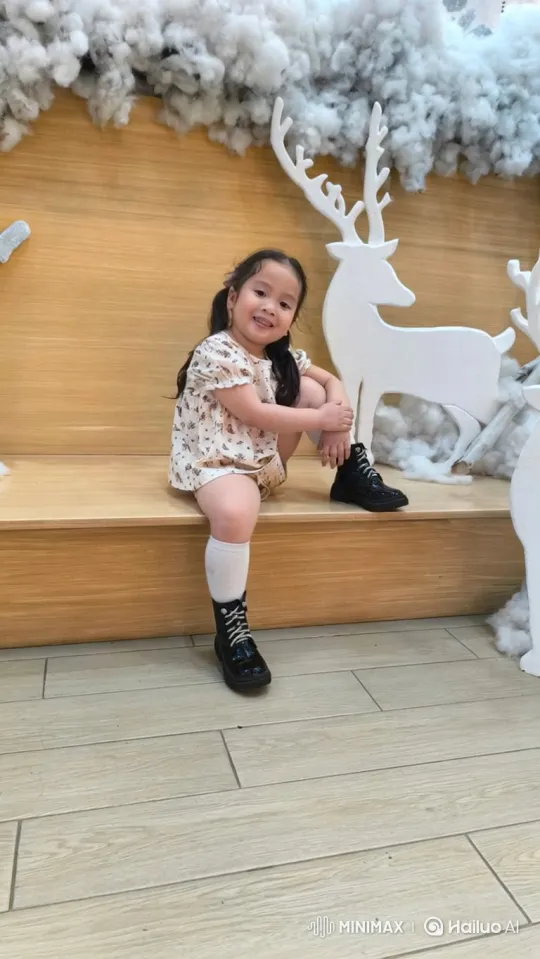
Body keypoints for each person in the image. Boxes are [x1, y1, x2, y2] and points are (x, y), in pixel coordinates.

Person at [169, 249, 408, 693]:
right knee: (238, 514)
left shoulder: (280, 354)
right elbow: (255, 412)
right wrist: (324, 422)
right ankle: (231, 631)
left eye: (284, 303)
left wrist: (336, 415)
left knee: (314, 389)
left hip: (260, 459)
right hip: (217, 462)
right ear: (232, 297)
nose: (269, 307)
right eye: (260, 293)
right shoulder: (216, 350)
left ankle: (350, 471)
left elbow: (330, 380)